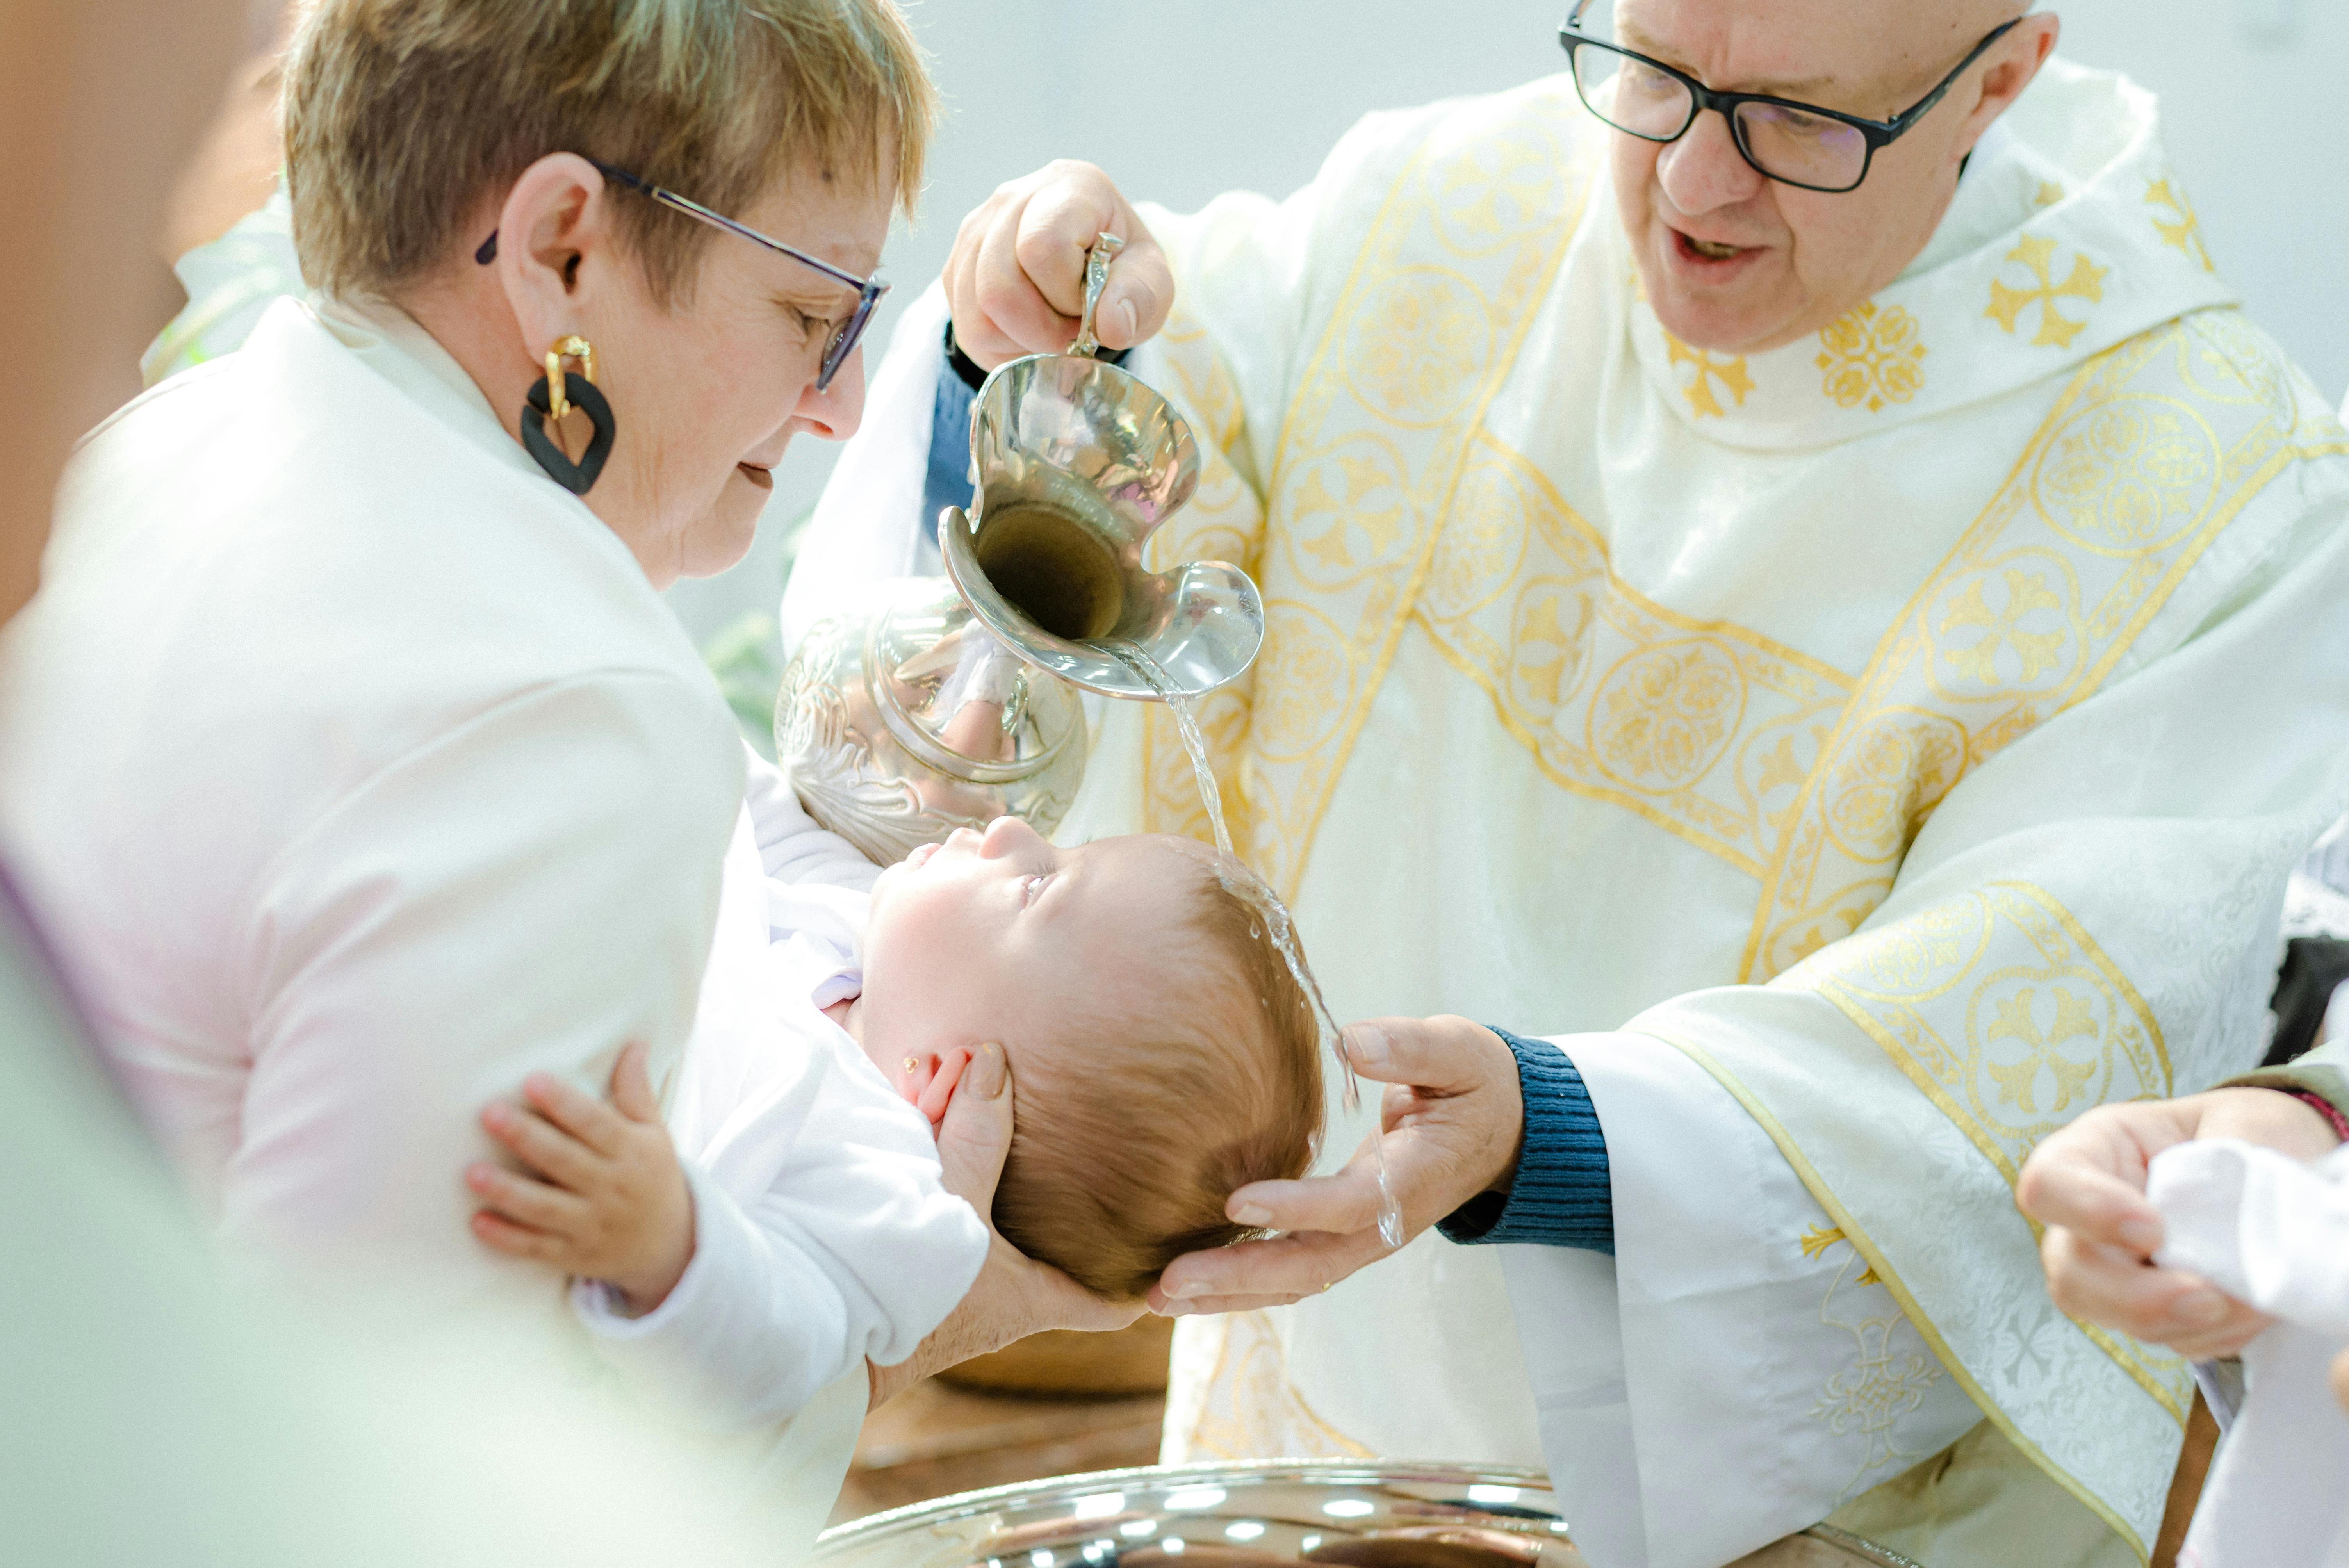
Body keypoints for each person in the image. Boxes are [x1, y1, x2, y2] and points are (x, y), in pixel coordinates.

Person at [789, 0, 2349, 1561]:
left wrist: (1550, 1129)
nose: (1691, 186)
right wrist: (1017, 353)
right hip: (1296, 1465)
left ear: (1998, 78)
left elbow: (2014, 1053)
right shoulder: (1447, 216)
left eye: (1798, 122)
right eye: (1654, 73)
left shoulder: (2217, 503)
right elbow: (1102, 519)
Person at [0, 0, 1114, 1538]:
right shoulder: (568, 705)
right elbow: (388, 1484)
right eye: (814, 316)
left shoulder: (155, 446)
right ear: (563, 248)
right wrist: (888, 1319)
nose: (839, 405)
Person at [467, 809, 1324, 1423]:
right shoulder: (859, 935)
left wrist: (666, 1245)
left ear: (961, 1074)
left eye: (1033, 887)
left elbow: (778, 1360)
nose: (1011, 830)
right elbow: (744, 802)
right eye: (1065, 846)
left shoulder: (890, 1194)